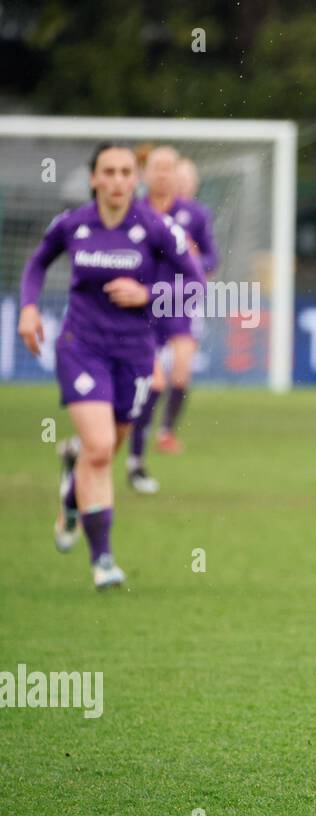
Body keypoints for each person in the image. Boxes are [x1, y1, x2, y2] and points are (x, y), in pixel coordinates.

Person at [18, 142, 203, 588]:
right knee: (101, 448)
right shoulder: (72, 225)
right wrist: (28, 308)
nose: (118, 180)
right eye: (109, 172)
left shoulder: (154, 227)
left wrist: (149, 295)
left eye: (125, 172)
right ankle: (103, 561)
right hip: (81, 346)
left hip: (136, 352)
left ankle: (71, 483)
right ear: (94, 179)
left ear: (133, 180)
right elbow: (37, 263)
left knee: (105, 447)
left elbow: (195, 283)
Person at [129, 145, 219, 476]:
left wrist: (196, 259)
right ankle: (135, 440)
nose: (164, 174)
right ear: (146, 173)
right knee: (152, 381)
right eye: (158, 168)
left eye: (170, 168)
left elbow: (211, 260)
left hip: (180, 305)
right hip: (141, 309)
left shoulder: (194, 215)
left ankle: (165, 432)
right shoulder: (134, 211)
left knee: (180, 371)